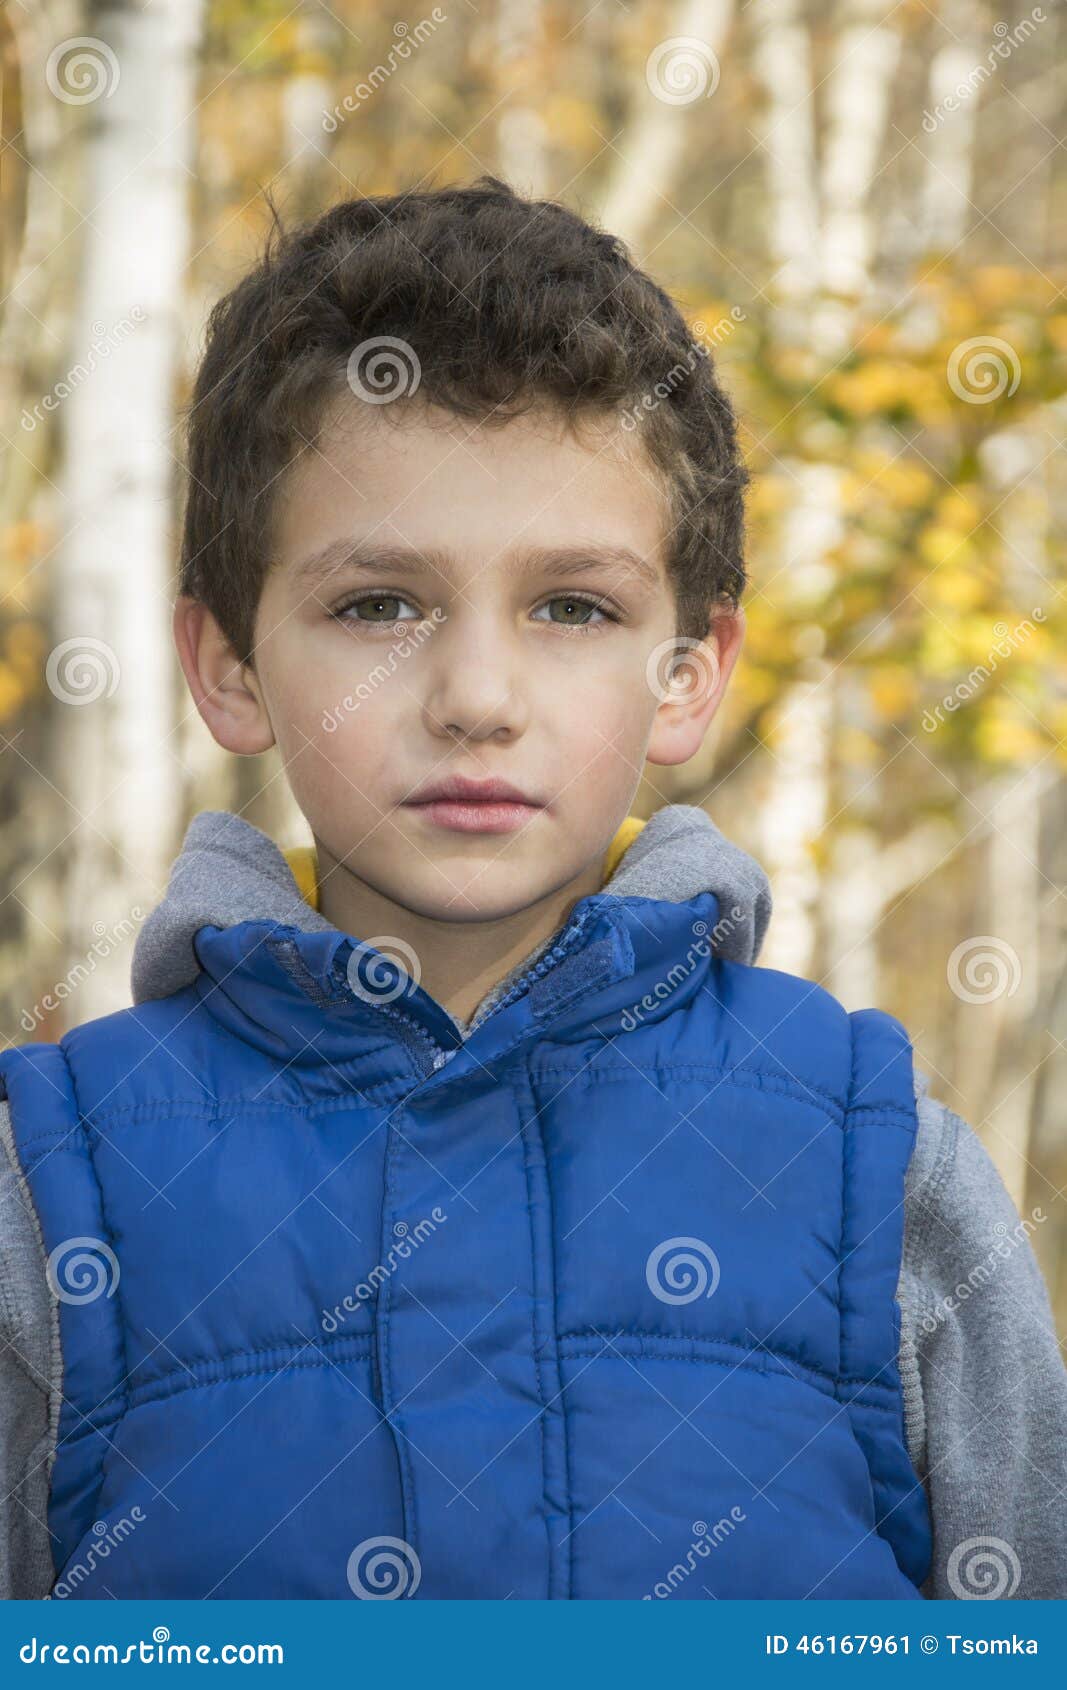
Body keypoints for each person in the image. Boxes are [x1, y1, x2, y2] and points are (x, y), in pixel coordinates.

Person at [1, 177, 1064, 1601]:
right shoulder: (50, 1193)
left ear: (690, 671)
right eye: (378, 603)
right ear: (228, 665)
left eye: (575, 608)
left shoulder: (885, 1167)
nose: (478, 698)